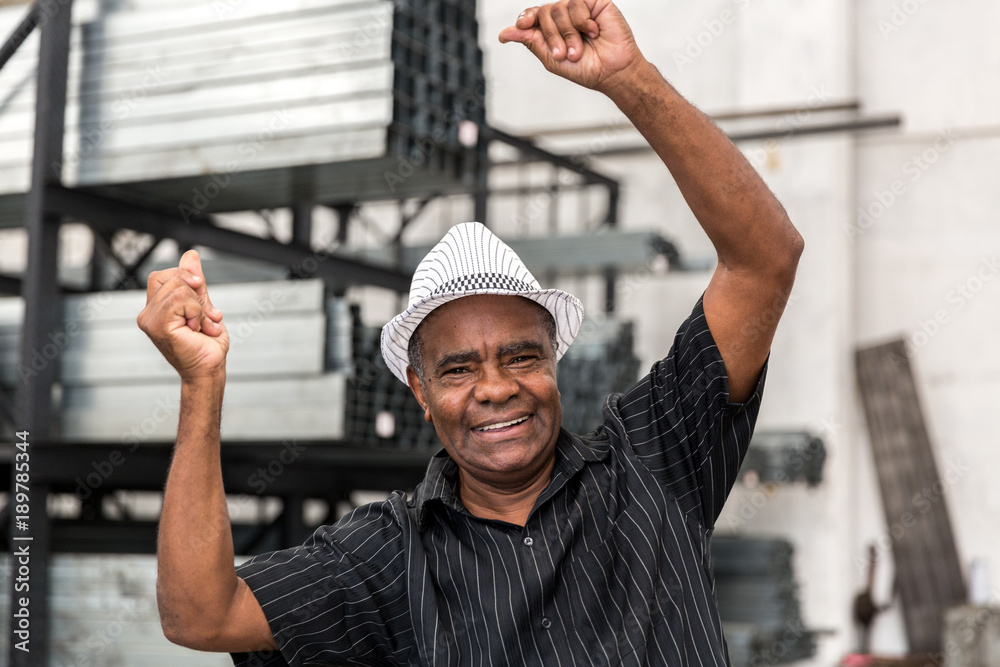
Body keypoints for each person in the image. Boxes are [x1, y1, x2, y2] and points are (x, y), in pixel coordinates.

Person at [137, 1, 804, 664]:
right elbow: (202, 615)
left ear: (555, 359)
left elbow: (764, 259)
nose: (496, 388)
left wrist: (630, 79)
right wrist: (202, 383)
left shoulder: (651, 464)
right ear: (420, 391)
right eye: (458, 369)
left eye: (521, 357)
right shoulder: (387, 557)